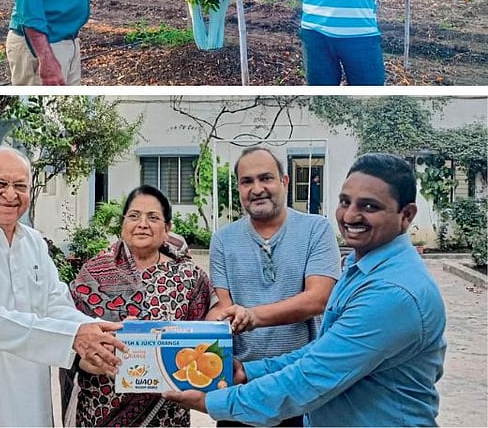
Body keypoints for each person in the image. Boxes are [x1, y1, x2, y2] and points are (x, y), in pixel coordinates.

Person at [167, 153, 447, 426]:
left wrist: (212, 402)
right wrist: (250, 372)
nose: (350, 215)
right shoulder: (360, 268)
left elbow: (311, 377)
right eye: (345, 202)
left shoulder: (392, 292)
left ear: (406, 214)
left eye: (369, 206)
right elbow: (322, 350)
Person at [0, 145, 126, 427]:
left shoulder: (33, 242)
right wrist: (72, 337)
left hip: (27, 397)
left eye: (20, 186)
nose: (10, 195)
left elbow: (55, 305)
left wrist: (100, 335)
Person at [206, 147, 341, 427]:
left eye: (266, 178)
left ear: (285, 181)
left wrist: (252, 315)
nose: (257, 189)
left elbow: (318, 298)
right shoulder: (223, 240)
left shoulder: (316, 230)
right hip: (241, 382)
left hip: (301, 382)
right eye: (247, 181)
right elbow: (225, 308)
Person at [64, 185, 215, 427]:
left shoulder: (190, 278)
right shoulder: (93, 272)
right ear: (123, 224)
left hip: (167, 413)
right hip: (101, 410)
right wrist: (96, 361)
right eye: (134, 216)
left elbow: (203, 340)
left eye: (153, 217)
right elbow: (70, 339)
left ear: (167, 229)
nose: (142, 224)